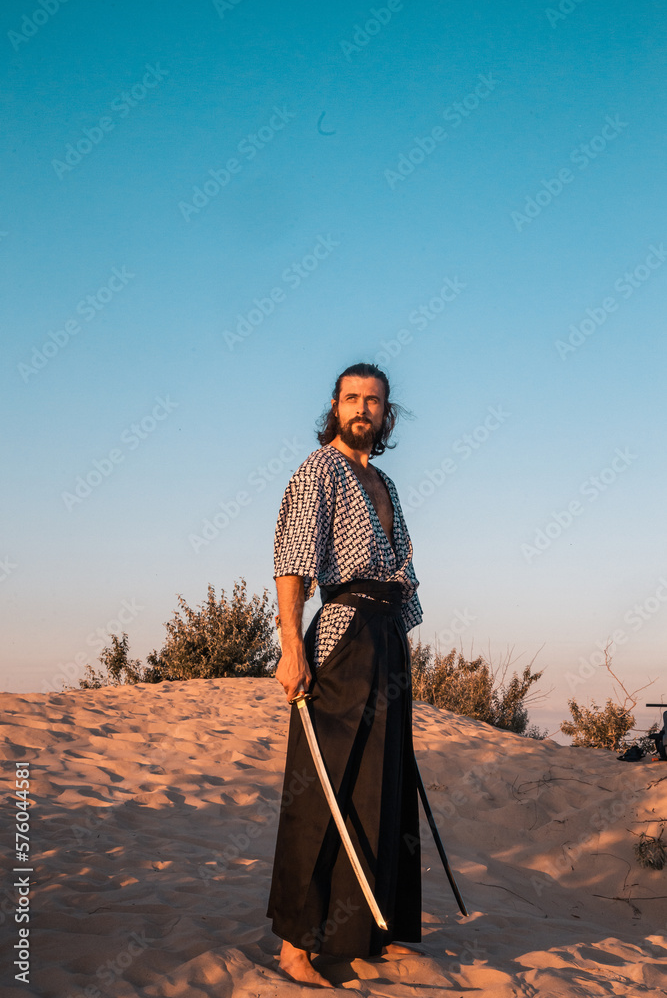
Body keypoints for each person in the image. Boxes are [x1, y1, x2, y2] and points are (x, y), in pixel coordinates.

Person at [266, 362, 423, 987]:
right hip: (340, 635)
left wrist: (399, 648)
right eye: (352, 399)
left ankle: (368, 929)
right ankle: (293, 947)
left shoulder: (384, 482)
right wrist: (290, 647)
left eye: (374, 401)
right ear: (335, 406)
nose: (363, 409)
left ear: (387, 414)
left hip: (386, 642)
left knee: (380, 786)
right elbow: (293, 562)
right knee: (321, 788)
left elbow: (405, 571)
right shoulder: (318, 471)